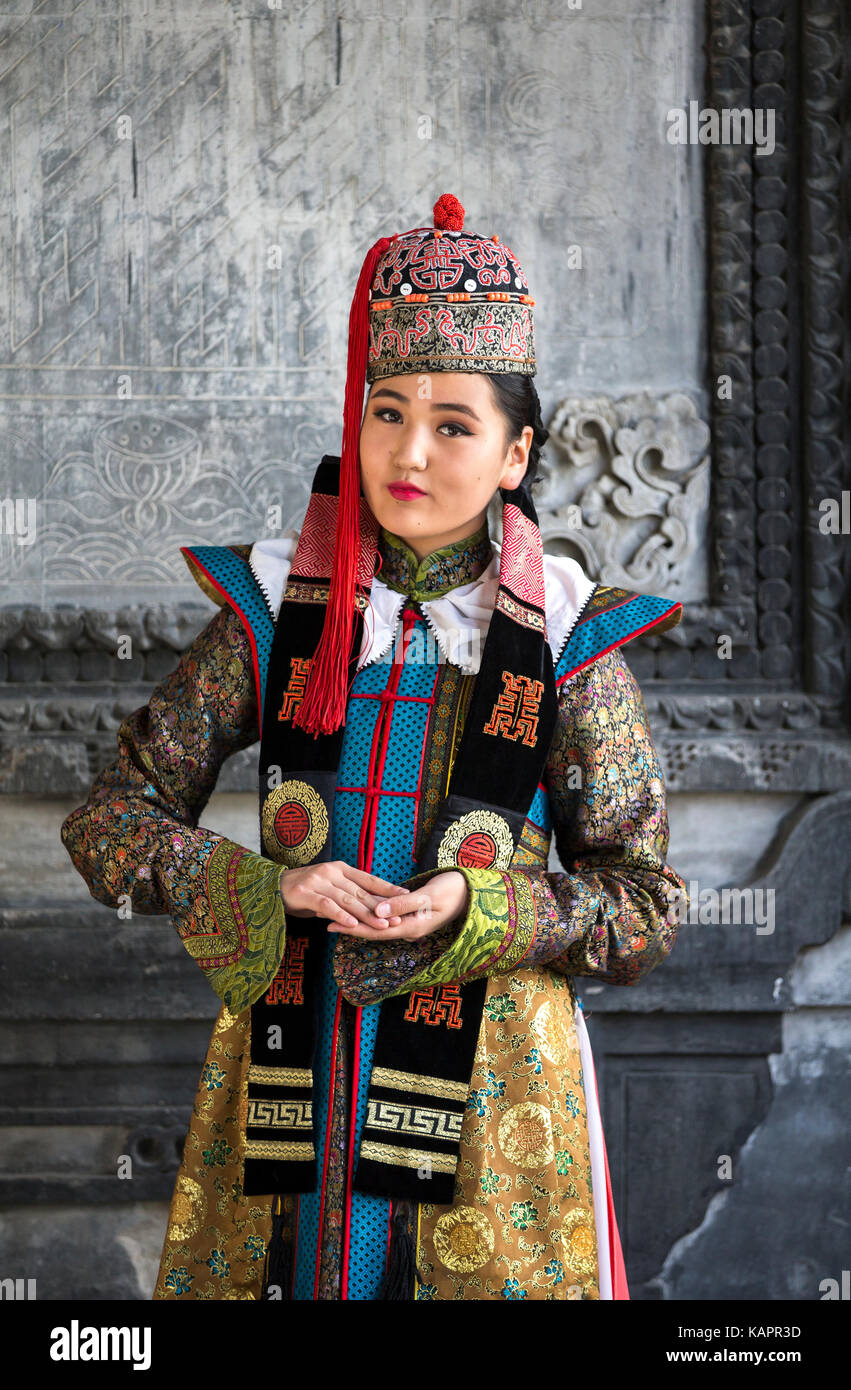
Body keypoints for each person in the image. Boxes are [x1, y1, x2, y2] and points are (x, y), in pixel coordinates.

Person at [61, 193, 687, 1301]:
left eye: (454, 425)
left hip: (494, 1093)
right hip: (288, 1070)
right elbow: (110, 816)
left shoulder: (569, 641)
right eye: (386, 411)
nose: (409, 451)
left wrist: (481, 907)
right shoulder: (271, 614)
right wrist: (267, 885)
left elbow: (640, 905)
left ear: (514, 452)